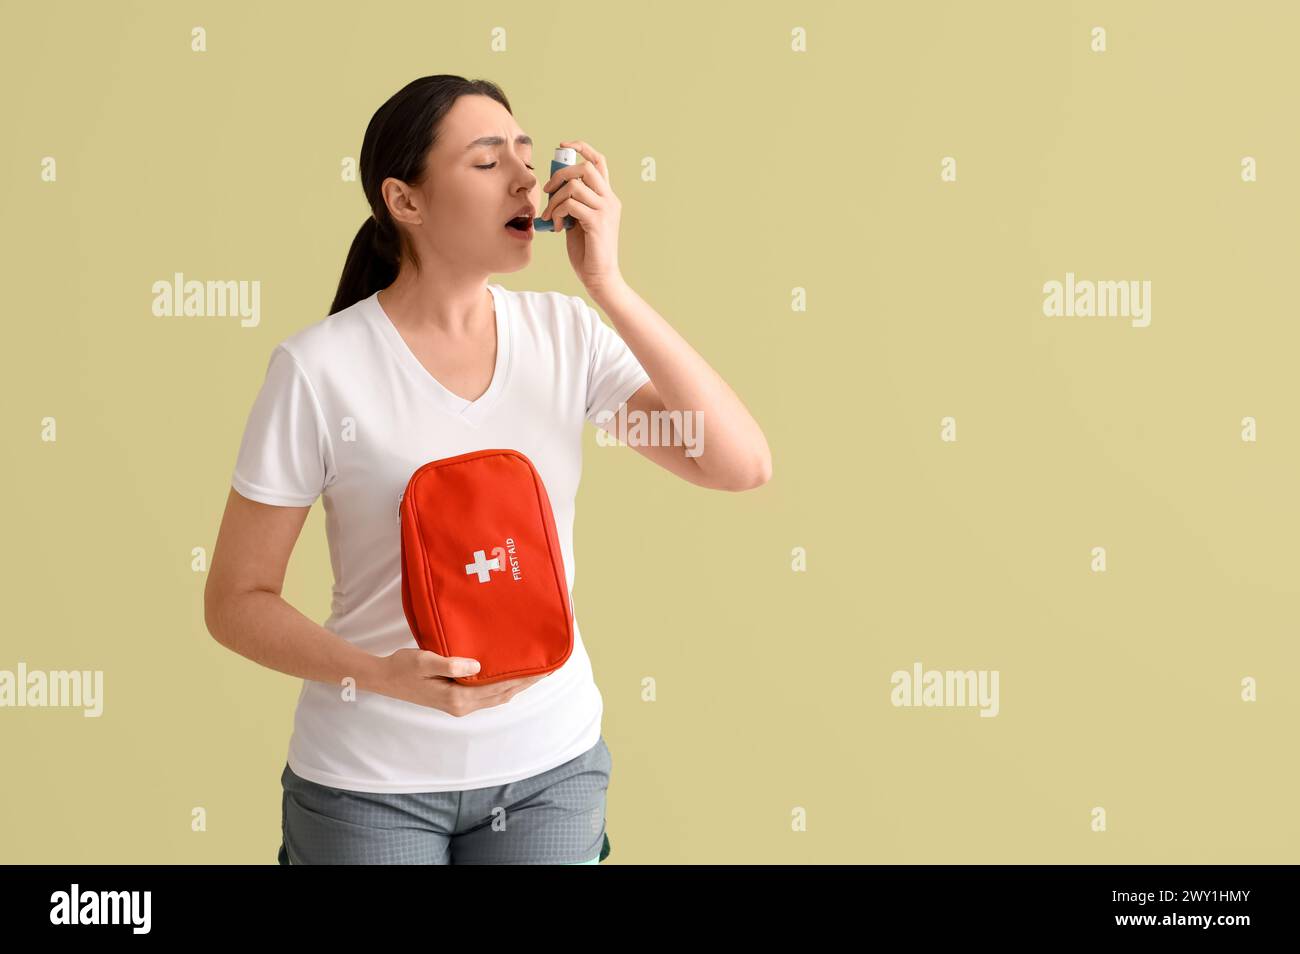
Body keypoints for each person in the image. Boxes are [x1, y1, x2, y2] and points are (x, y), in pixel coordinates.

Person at [204, 75, 772, 864]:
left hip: (551, 771)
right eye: (485, 161)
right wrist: (377, 674)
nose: (525, 180)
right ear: (404, 201)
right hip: (368, 783)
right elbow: (235, 600)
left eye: (527, 156)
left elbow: (738, 464)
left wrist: (609, 286)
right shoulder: (317, 368)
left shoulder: (566, 335)